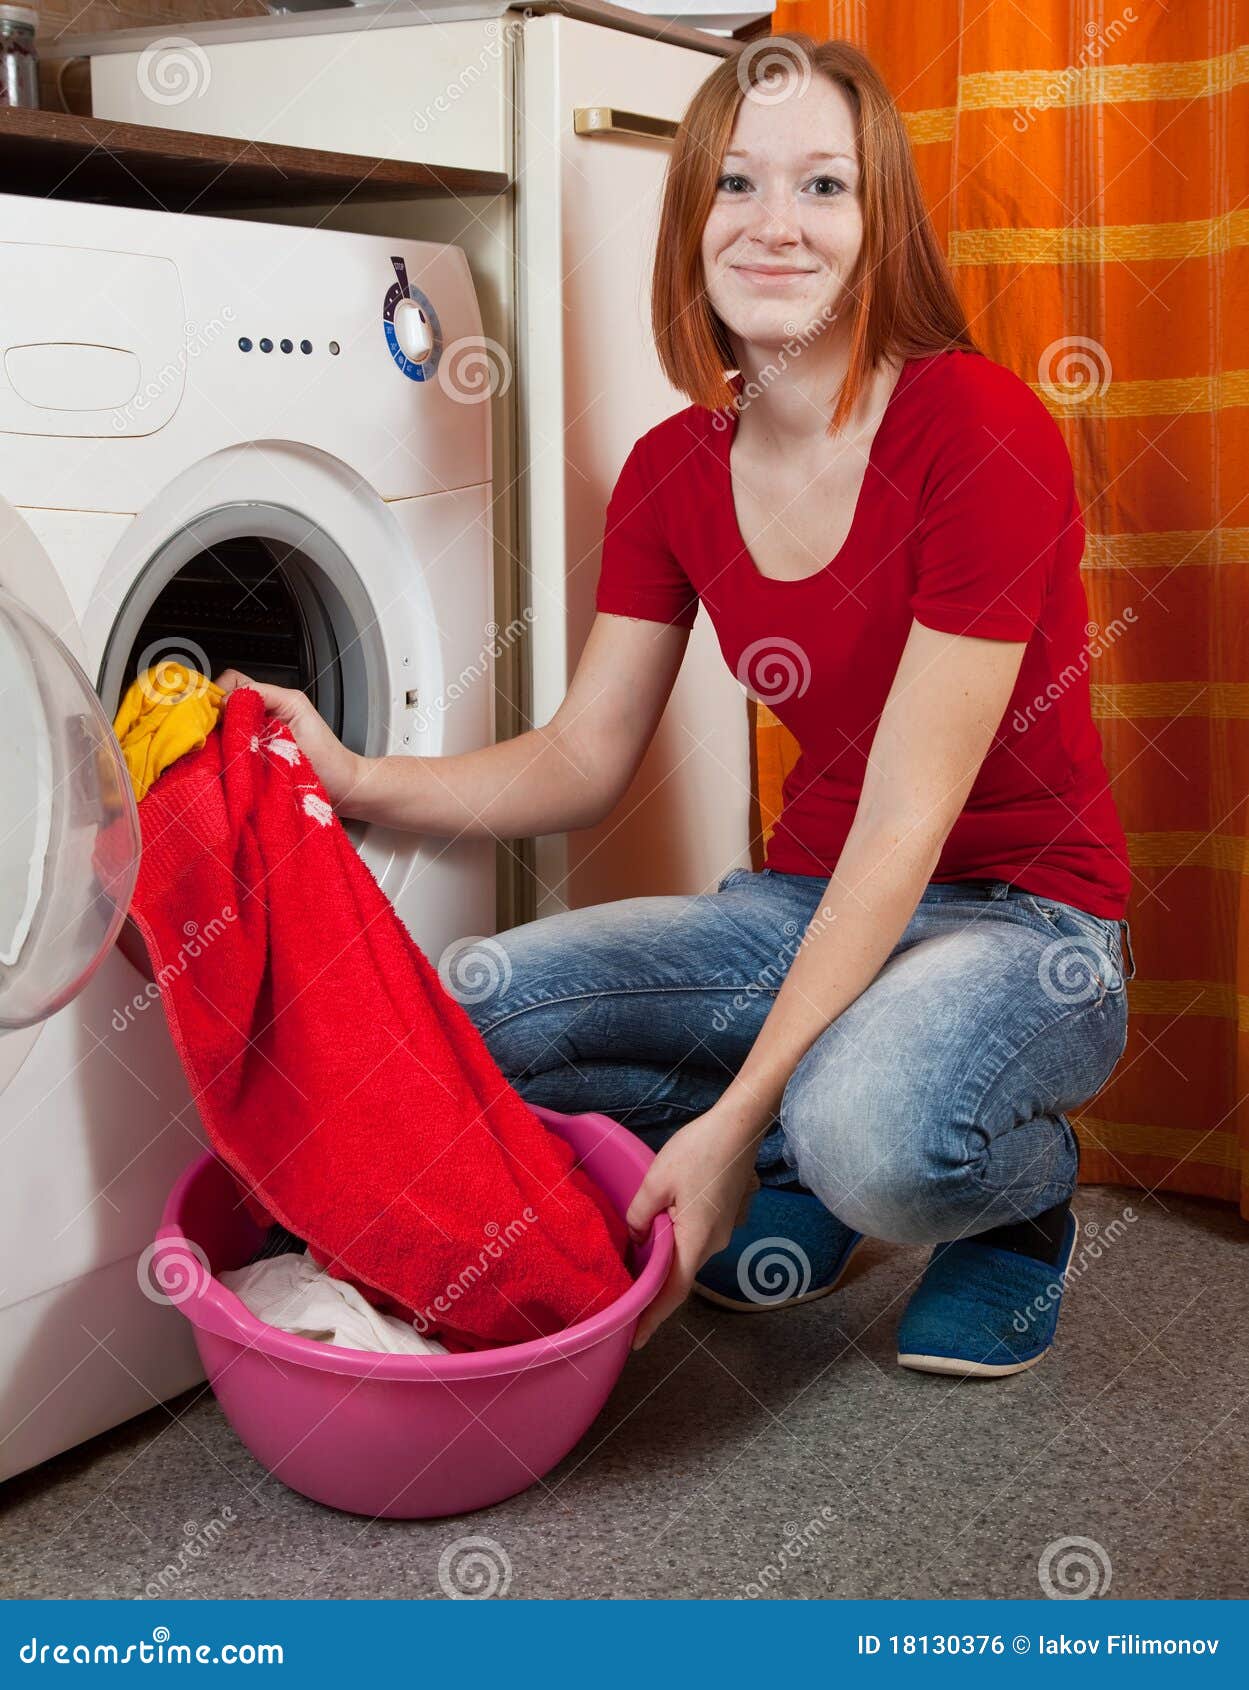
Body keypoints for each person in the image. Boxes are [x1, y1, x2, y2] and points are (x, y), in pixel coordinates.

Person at [217, 33, 1134, 1380]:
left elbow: (902, 823)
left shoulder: (978, 431)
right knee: (458, 1019)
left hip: (1020, 920)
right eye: (735, 187)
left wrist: (738, 1109)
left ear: (881, 224)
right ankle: (794, 1151)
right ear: (689, 216)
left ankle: (1013, 1191)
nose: (775, 227)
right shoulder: (670, 467)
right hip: (799, 907)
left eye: (824, 188)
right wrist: (349, 772)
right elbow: (584, 755)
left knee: (878, 1135)